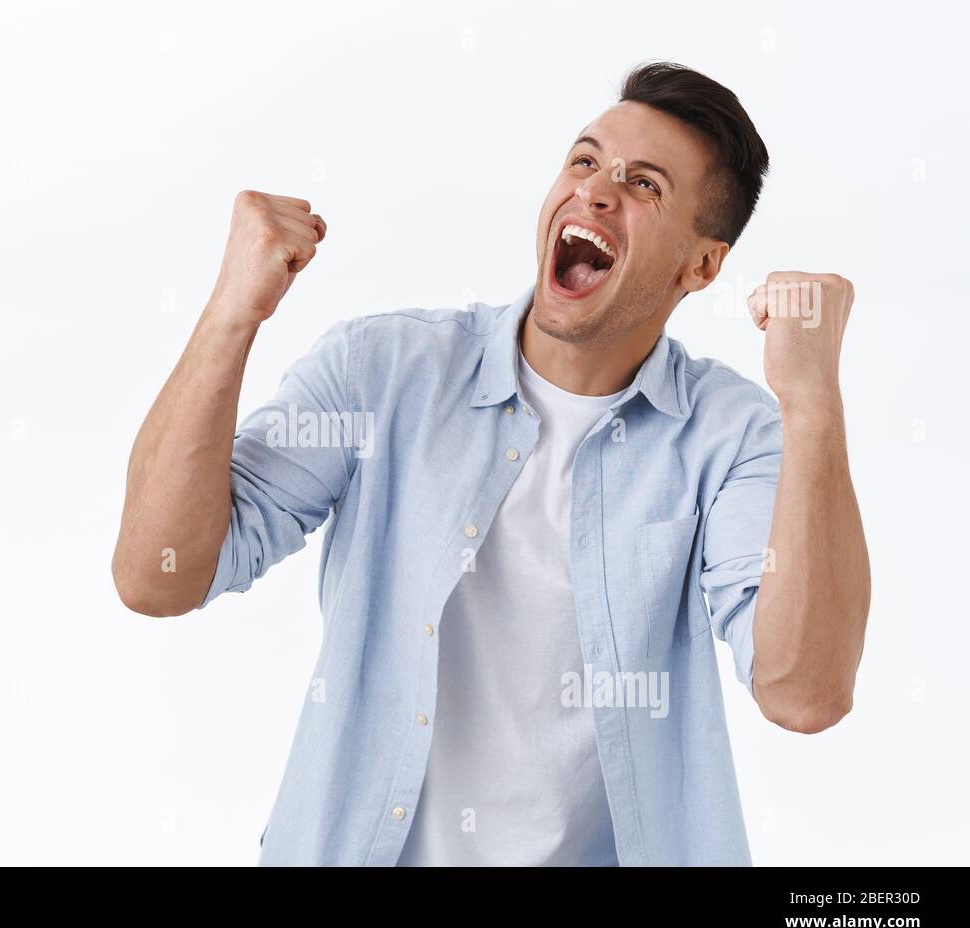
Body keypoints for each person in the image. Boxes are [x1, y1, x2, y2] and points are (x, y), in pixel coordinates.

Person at [112, 61, 870, 866]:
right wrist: (234, 312)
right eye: (584, 161)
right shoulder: (384, 370)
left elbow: (805, 692)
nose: (597, 192)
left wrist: (813, 399)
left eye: (645, 186)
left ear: (703, 267)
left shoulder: (731, 436)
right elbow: (156, 576)